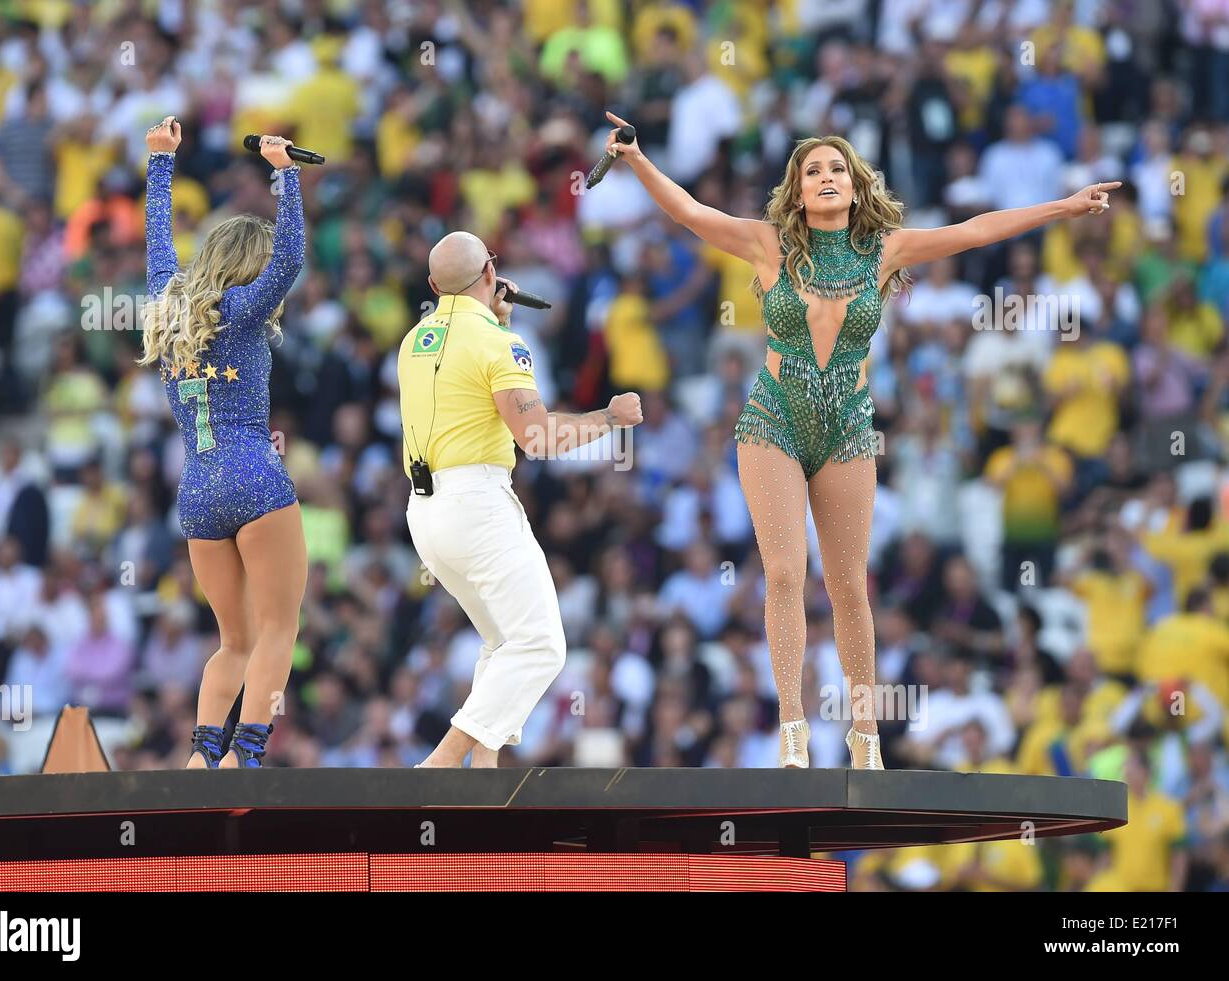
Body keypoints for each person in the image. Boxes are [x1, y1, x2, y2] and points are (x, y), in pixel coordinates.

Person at [602, 108, 1119, 769]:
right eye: (811, 169)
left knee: (850, 585)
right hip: (774, 418)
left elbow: (974, 230)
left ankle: (864, 734)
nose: (824, 176)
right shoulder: (768, 245)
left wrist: (1064, 208)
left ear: (855, 184)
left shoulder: (886, 249)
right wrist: (639, 159)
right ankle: (793, 725)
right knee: (786, 573)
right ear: (795, 190)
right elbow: (692, 212)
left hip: (848, 426)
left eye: (836, 168)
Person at [398, 230, 642, 767]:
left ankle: (482, 768)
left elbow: (465, 388)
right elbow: (539, 438)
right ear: (492, 273)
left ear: (435, 286)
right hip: (476, 504)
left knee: (503, 641)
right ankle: (442, 761)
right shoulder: (499, 345)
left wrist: (496, 318)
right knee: (542, 645)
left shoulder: (415, 339)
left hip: (426, 513)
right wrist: (609, 417)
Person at [139, 116, 308, 768]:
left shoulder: (167, 307)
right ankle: (247, 752)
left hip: (198, 491)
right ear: (246, 266)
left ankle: (200, 756)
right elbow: (291, 258)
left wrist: (160, 162)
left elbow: (158, 245)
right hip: (255, 478)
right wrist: (286, 176)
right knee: (278, 626)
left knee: (232, 640)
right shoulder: (241, 311)